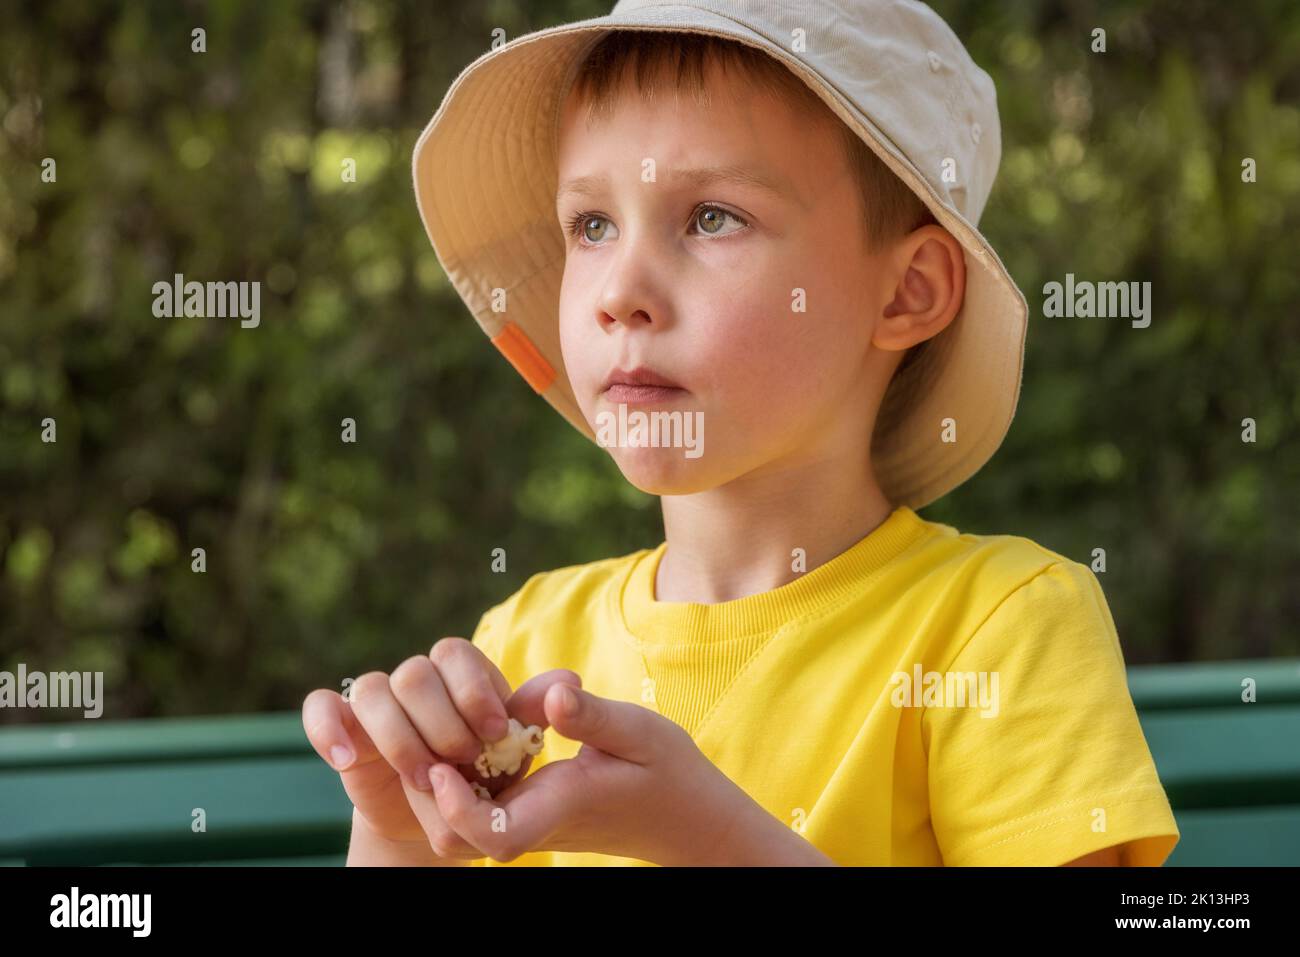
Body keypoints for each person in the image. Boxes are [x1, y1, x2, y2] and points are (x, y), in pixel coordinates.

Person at [303, 0, 1180, 867]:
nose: (620, 290)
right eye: (592, 224)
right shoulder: (523, 642)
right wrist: (402, 835)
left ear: (907, 291)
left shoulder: (997, 626)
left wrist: (709, 841)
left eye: (713, 216)